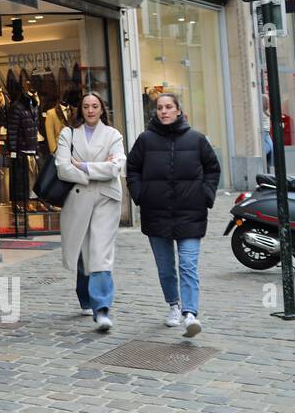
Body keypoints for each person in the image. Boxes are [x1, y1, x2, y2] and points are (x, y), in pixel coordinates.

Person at [126, 93, 221, 338]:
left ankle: (191, 313)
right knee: (166, 268)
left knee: (188, 264)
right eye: (160, 108)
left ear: (179, 110)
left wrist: (206, 194)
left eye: (169, 107)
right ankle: (174, 305)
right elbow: (132, 168)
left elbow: (213, 168)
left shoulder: (197, 139)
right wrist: (140, 195)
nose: (164, 111)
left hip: (191, 213)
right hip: (155, 213)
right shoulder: (145, 140)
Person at [55, 92, 126, 331]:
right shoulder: (68, 134)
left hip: (107, 198)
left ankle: (102, 309)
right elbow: (63, 169)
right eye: (86, 106)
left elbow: (115, 167)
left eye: (95, 106)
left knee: (100, 252)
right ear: (81, 109)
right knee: (83, 251)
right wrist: (98, 170)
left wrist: (83, 166)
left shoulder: (113, 135)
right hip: (78, 200)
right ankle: (85, 296)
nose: (91, 110)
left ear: (102, 109)